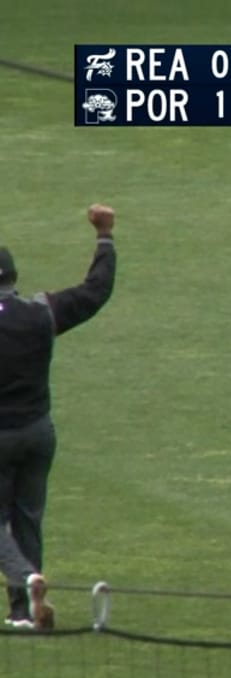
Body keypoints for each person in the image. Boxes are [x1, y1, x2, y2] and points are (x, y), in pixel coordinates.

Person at [0, 203, 117, 628]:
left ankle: (25, 579)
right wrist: (104, 236)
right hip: (38, 433)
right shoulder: (41, 313)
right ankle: (22, 613)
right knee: (27, 517)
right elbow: (95, 291)